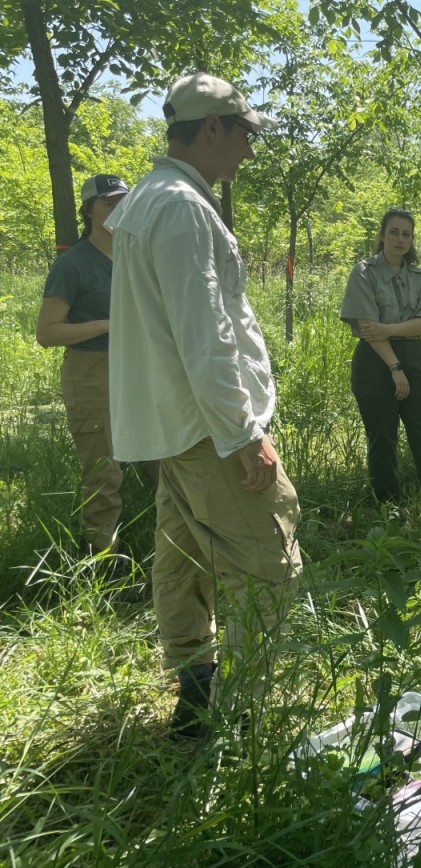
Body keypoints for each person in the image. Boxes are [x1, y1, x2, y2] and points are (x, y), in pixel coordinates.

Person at [107, 73, 302, 740]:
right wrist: (244, 434)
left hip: (170, 425)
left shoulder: (147, 200)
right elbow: (206, 333)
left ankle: (194, 704)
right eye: (245, 134)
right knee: (266, 568)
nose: (249, 151)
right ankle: (247, 729)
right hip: (207, 429)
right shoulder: (184, 209)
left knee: (183, 564)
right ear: (213, 128)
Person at [340, 208, 421, 526]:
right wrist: (395, 367)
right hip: (374, 362)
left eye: (406, 234)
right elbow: (368, 328)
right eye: (393, 232)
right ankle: (390, 514)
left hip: (414, 358)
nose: (400, 239)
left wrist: (389, 329)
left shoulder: (418, 277)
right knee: (382, 440)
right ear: (382, 235)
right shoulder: (363, 272)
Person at [35, 175, 130, 555]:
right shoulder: (73, 264)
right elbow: (48, 332)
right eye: (108, 203)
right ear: (89, 210)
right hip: (91, 372)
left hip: (137, 369)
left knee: (162, 459)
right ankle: (104, 561)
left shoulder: (137, 255)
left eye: (124, 201)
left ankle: (170, 551)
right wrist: (111, 324)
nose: (118, 209)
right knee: (103, 471)